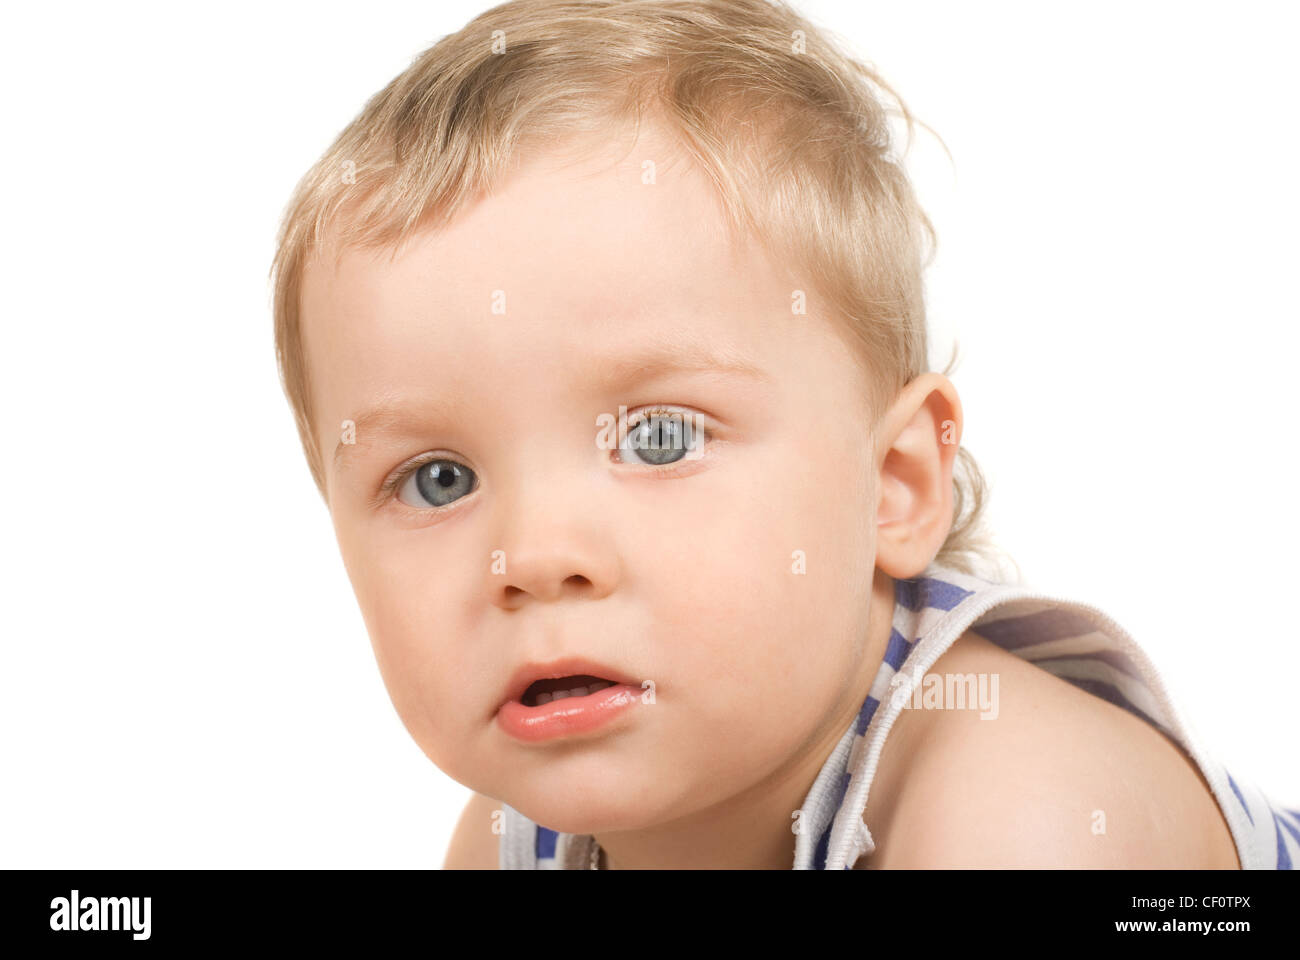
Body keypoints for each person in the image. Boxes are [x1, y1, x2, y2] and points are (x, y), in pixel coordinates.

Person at [268, 0, 1296, 869]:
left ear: (891, 485)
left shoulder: (1015, 808)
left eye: (659, 439)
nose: (533, 558)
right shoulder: (518, 832)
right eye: (440, 479)